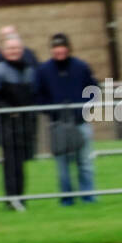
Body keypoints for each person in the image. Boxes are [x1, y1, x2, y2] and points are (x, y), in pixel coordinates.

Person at [34, 33, 97, 204]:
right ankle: (67, 198)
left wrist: (83, 108)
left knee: (84, 162)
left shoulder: (81, 67)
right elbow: (38, 96)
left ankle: (89, 197)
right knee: (62, 165)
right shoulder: (43, 70)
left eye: (61, 47)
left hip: (80, 122)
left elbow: (93, 90)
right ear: (52, 49)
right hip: (57, 124)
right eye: (55, 47)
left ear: (68, 47)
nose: (59, 50)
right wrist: (52, 111)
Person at [0, 36, 37, 210]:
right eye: (10, 49)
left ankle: (21, 199)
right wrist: (7, 109)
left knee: (21, 163)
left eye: (16, 48)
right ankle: (11, 200)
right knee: (10, 163)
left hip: (24, 123)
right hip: (7, 124)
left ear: (21, 50)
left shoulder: (29, 70)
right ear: (3, 51)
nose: (14, 52)